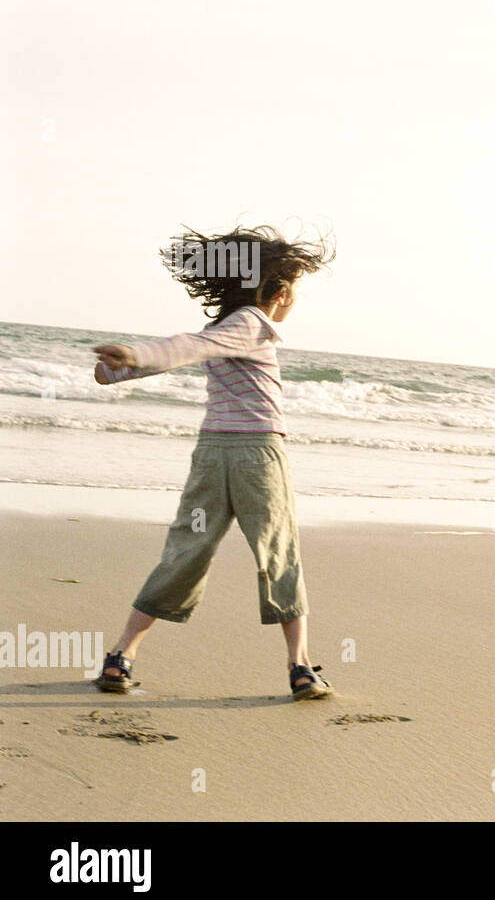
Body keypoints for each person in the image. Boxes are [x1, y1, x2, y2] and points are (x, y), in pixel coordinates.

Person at [91, 224, 336, 700]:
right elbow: (186, 347)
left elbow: (187, 347)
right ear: (281, 291)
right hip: (257, 458)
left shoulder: (221, 329)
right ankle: (301, 667)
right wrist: (132, 358)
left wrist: (119, 368)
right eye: (296, 290)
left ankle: (122, 657)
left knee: (186, 551)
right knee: (278, 554)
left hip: (211, 457)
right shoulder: (250, 325)